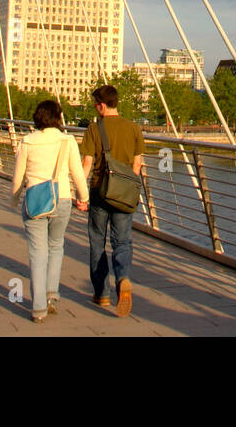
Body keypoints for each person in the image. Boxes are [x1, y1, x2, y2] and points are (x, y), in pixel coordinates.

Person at [12, 100, 89, 322]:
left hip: (34, 201)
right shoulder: (67, 141)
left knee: (37, 253)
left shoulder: (27, 141)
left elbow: (19, 175)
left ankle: (37, 309)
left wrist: (14, 199)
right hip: (62, 198)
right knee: (56, 246)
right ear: (58, 117)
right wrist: (83, 198)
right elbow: (76, 171)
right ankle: (51, 296)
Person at [80, 84, 144, 316]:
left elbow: (87, 162)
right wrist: (127, 188)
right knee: (122, 241)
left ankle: (102, 294)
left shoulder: (94, 129)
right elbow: (137, 164)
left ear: (101, 104)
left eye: (95, 104)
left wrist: (80, 194)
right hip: (124, 193)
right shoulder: (134, 128)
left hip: (99, 191)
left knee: (98, 241)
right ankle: (124, 278)